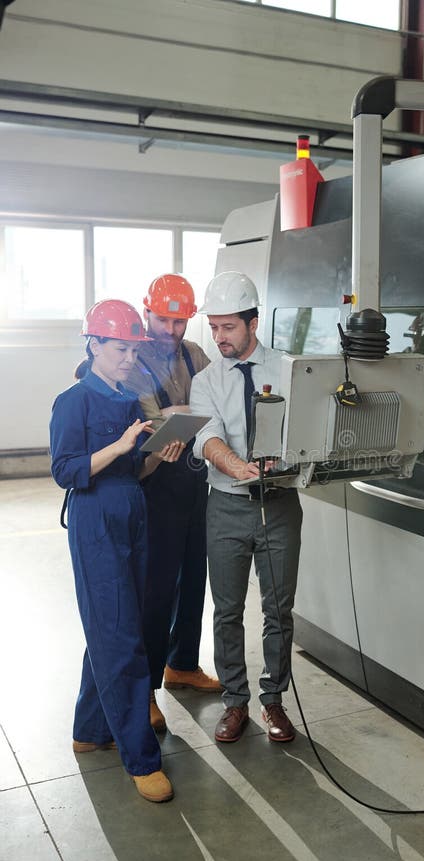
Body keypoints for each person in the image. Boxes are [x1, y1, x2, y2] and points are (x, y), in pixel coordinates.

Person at [49, 299, 185, 803]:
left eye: (134, 349)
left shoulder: (129, 401)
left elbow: (135, 471)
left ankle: (89, 730)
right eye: (121, 348)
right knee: (121, 637)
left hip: (132, 513)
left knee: (116, 623)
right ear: (94, 344)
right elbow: (66, 471)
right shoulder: (73, 401)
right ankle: (141, 758)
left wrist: (157, 454)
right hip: (95, 521)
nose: (130, 358)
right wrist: (122, 446)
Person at [189, 271, 303, 744]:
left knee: (279, 611)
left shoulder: (292, 370)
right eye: (213, 328)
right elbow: (206, 435)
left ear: (253, 323)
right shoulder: (206, 381)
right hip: (227, 507)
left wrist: (289, 455)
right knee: (227, 610)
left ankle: (273, 700)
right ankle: (235, 703)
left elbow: (307, 424)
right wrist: (237, 467)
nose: (219, 338)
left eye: (228, 328)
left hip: (278, 506)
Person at [125, 274, 220, 734]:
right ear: (148, 314)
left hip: (194, 481)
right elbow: (146, 422)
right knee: (156, 589)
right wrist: (179, 416)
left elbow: (214, 399)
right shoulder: (132, 358)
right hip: (155, 485)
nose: (171, 329)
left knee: (193, 577)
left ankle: (182, 663)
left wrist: (183, 418)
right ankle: (143, 690)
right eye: (163, 319)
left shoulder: (194, 354)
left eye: (180, 321)